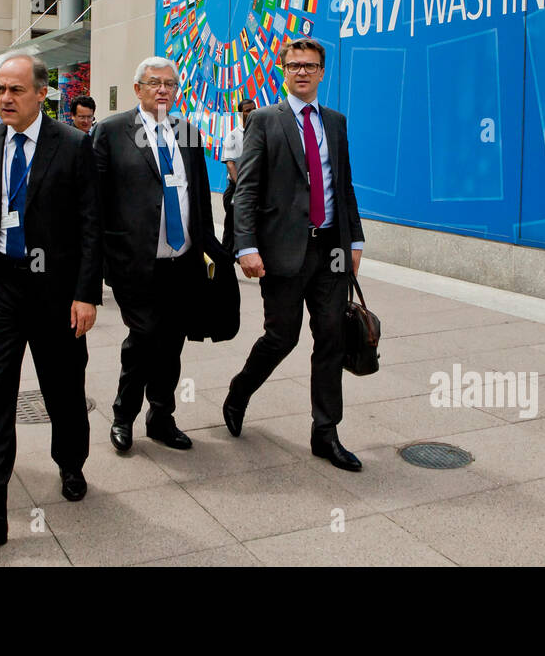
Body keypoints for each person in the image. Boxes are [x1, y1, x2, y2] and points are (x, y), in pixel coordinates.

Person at [0, 53, 101, 548]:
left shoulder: (75, 146)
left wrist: (85, 294)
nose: (5, 98)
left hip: (55, 291)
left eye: (16, 90)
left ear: (41, 94)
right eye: (0, 90)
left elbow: (89, 226)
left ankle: (70, 462)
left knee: (62, 388)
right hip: (1, 287)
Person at [224, 38, 367, 473]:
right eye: (294, 65)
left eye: (310, 65)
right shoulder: (266, 120)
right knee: (281, 337)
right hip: (283, 252)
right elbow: (246, 188)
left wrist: (355, 241)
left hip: (330, 251)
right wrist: (245, 245)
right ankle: (240, 391)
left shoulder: (336, 123)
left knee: (331, 338)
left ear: (322, 72)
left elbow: (343, 187)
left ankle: (326, 432)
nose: (302, 72)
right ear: (284, 71)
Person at [91, 58, 221, 454]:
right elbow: (95, 201)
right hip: (135, 262)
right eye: (154, 83)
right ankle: (122, 415)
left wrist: (208, 250)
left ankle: (161, 418)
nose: (163, 90)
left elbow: (197, 197)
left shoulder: (188, 133)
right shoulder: (112, 132)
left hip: (181, 260)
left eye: (170, 84)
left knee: (172, 343)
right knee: (143, 339)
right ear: (138, 89)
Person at [220, 97, 257, 255]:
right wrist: (242, 187)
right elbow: (230, 164)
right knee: (232, 230)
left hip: (257, 189)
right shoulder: (233, 137)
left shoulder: (262, 133)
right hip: (237, 189)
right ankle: (224, 263)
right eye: (248, 110)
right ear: (240, 114)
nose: (252, 112)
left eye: (254, 109)